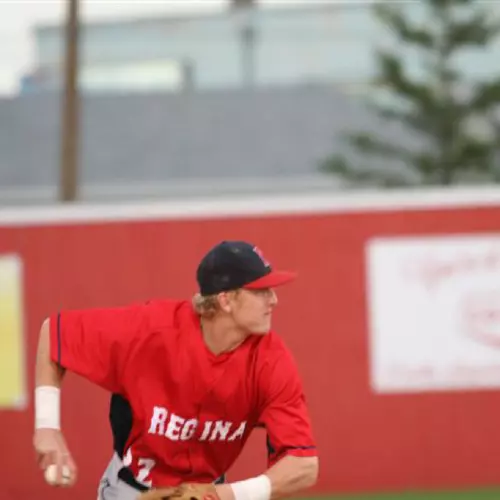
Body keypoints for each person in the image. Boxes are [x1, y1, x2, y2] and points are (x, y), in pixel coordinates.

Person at [33, 240, 319, 500]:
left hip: (210, 491)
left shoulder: (270, 360)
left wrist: (221, 495)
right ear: (226, 300)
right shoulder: (151, 331)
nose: (274, 300)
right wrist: (47, 427)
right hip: (131, 490)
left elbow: (304, 466)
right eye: (260, 291)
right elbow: (55, 334)